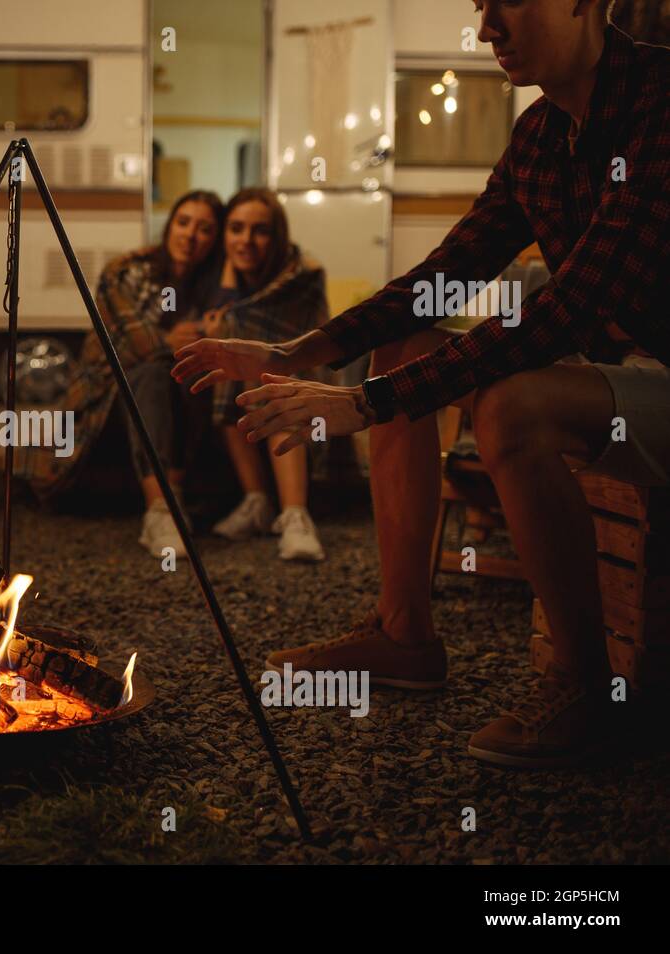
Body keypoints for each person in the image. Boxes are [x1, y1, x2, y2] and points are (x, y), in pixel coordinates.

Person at [173, 0, 669, 767]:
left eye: (510, 3)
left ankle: (584, 685)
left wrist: (360, 405)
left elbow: (571, 308)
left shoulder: (659, 103)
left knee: (512, 406)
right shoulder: (540, 134)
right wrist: (298, 352)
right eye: (481, 6)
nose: (488, 28)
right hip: (623, 379)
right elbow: (443, 278)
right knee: (404, 346)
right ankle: (405, 633)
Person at [13, 190, 223, 559]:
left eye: (205, 229)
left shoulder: (214, 282)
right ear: (169, 225)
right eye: (183, 222)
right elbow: (130, 344)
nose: (190, 235)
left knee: (188, 370)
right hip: (105, 403)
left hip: (174, 410)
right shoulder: (127, 272)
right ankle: (160, 511)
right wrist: (172, 340)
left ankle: (169, 502)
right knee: (153, 371)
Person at [197, 189, 329, 561]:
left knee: (266, 373)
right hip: (244, 380)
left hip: (303, 375)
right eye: (236, 229)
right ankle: (257, 501)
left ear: (278, 236)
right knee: (229, 362)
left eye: (260, 231)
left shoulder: (302, 272)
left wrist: (228, 327)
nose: (246, 241)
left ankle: (295, 515)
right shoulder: (220, 272)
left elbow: (293, 345)